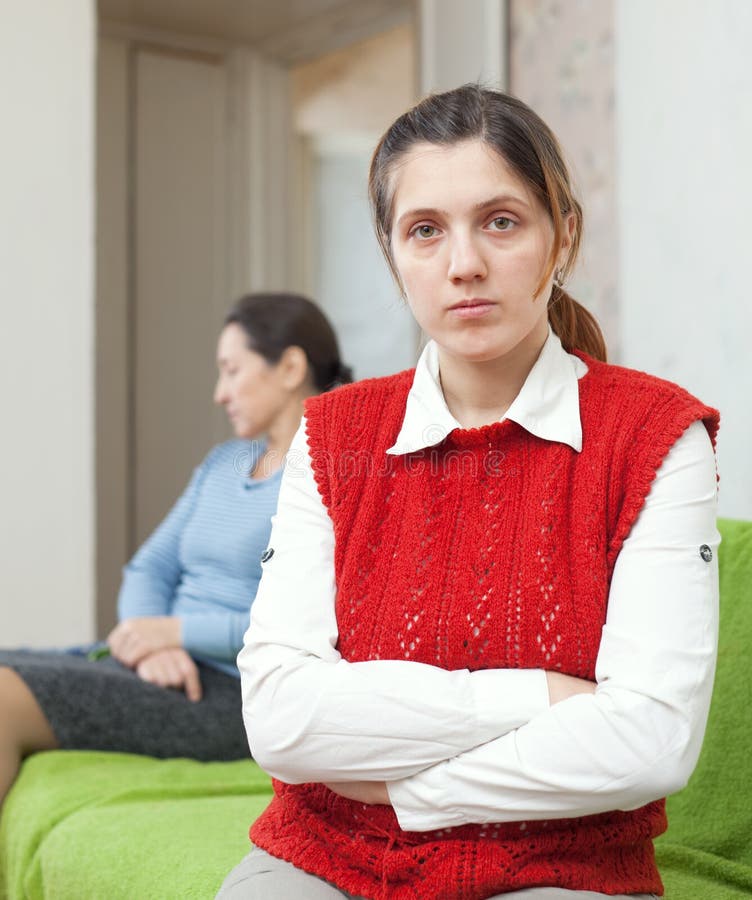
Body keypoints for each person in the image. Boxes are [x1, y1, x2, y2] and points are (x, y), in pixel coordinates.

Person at [218, 87, 720, 900]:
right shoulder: (333, 433)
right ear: (393, 254)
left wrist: (410, 794)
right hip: (323, 853)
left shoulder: (656, 434)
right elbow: (280, 718)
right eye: (425, 230)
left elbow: (652, 742)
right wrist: (539, 696)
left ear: (564, 235)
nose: (464, 265)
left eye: (501, 221)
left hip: (563, 866)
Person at [0, 292, 351, 806]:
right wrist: (154, 644)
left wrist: (174, 631)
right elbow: (150, 567)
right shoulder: (223, 463)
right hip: (165, 668)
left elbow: (317, 622)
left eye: (231, 370)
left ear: (291, 367)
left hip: (231, 693)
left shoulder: (333, 476)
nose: (219, 393)